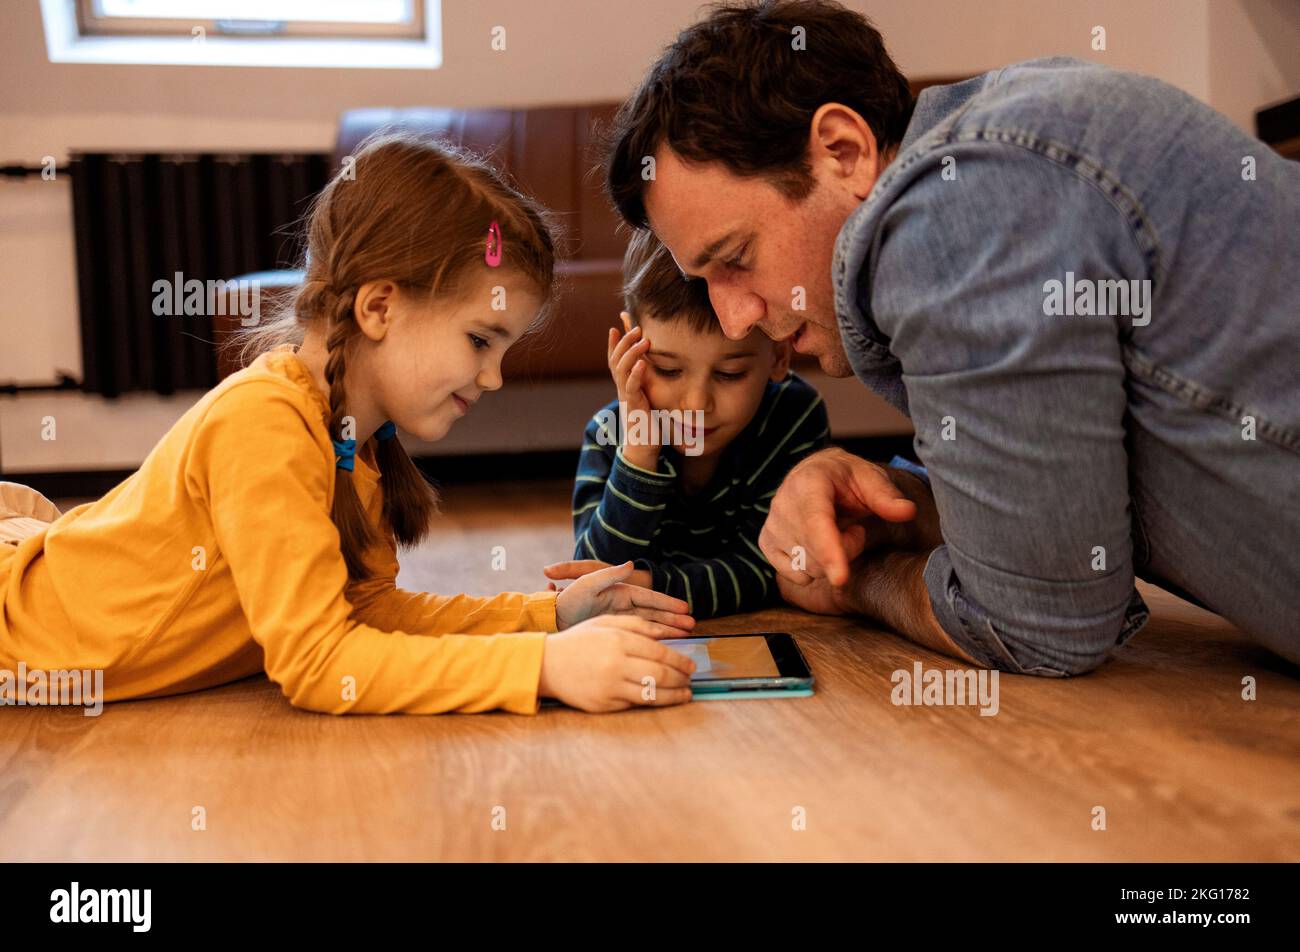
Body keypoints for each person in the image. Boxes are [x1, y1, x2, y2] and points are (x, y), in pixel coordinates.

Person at [601, 0, 1300, 675]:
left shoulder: (952, 214)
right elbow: (1066, 504)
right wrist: (902, 505)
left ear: (842, 152)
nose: (734, 319)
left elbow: (1042, 624)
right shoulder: (997, 143)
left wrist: (854, 584)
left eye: (735, 258)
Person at [0, 132, 698, 716]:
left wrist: (548, 615)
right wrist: (541, 667)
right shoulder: (265, 424)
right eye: (482, 341)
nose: (493, 378)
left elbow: (365, 612)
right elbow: (320, 664)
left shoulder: (352, 443)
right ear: (379, 308)